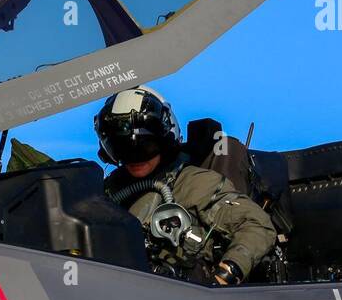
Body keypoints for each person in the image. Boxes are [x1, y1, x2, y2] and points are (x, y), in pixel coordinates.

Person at [94, 87, 276, 285]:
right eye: (122, 147)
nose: (134, 157)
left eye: (145, 146)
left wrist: (226, 274)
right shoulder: (107, 193)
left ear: (165, 139)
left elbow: (257, 224)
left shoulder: (195, 184)